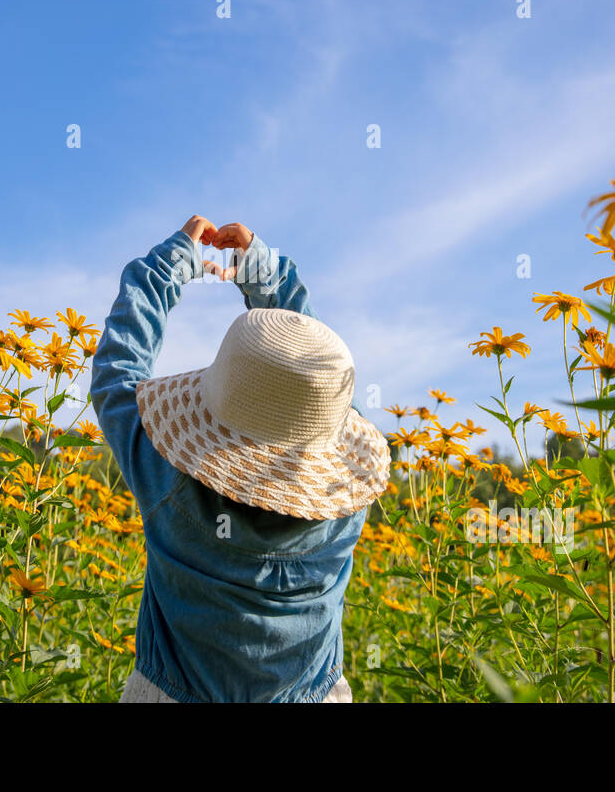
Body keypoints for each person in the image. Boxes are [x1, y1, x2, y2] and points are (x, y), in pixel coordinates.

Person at [90, 215, 391, 703]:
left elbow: (115, 374)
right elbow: (320, 380)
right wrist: (266, 272)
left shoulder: (164, 475)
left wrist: (169, 266)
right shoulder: (346, 505)